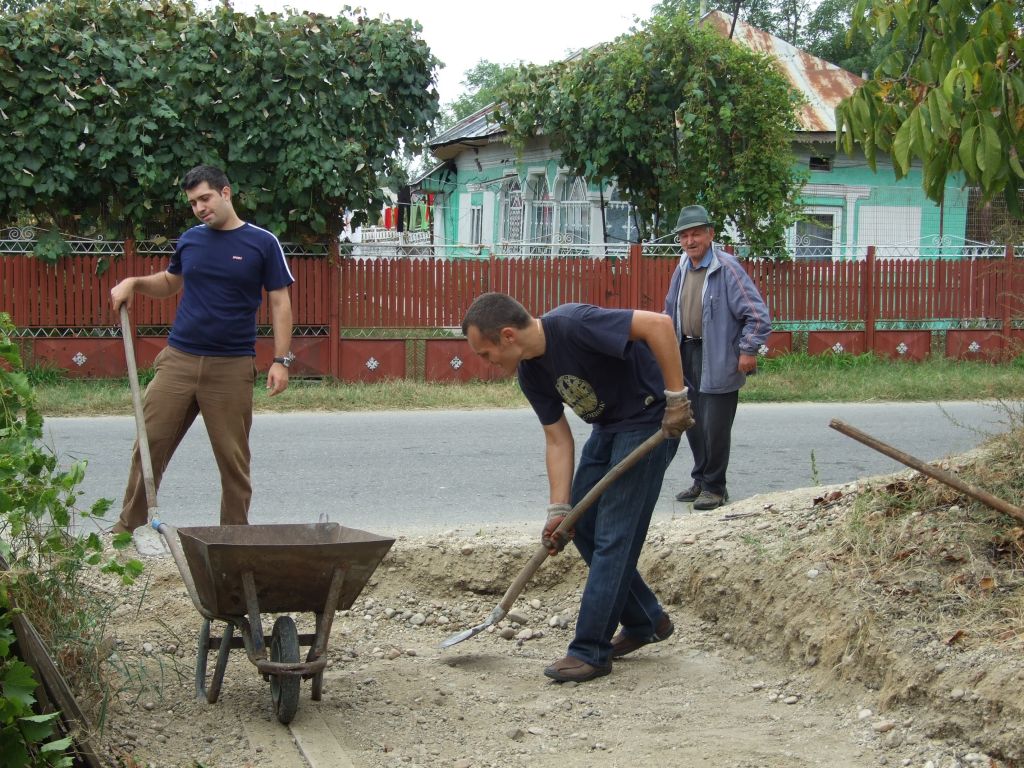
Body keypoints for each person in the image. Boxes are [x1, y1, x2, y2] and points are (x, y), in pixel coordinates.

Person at [462, 292, 694, 683]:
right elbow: (557, 439)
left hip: (652, 417)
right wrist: (558, 511)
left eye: (485, 354)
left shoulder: (575, 325)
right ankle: (646, 621)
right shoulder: (531, 373)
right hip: (610, 427)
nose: (486, 364)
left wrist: (677, 400)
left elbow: (660, 325)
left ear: (507, 336)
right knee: (580, 526)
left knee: (614, 535)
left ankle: (590, 650)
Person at [109, 164, 295, 533]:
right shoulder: (191, 239)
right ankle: (127, 526)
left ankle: (234, 535)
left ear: (226, 193)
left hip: (231, 367)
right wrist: (134, 282)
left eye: (205, 198)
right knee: (149, 444)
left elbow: (279, 302)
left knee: (233, 460)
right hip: (178, 359)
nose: (200, 207)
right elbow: (169, 282)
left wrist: (280, 360)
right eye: (193, 202)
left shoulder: (262, 242)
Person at [664, 204, 771, 511]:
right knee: (691, 421)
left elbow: (757, 315)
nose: (689, 241)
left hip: (720, 356)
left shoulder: (727, 268)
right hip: (686, 352)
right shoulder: (682, 266)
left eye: (696, 233)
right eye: (684, 236)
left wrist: (748, 350)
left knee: (716, 426)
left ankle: (715, 487)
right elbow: (670, 310)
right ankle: (700, 479)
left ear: (710, 235)